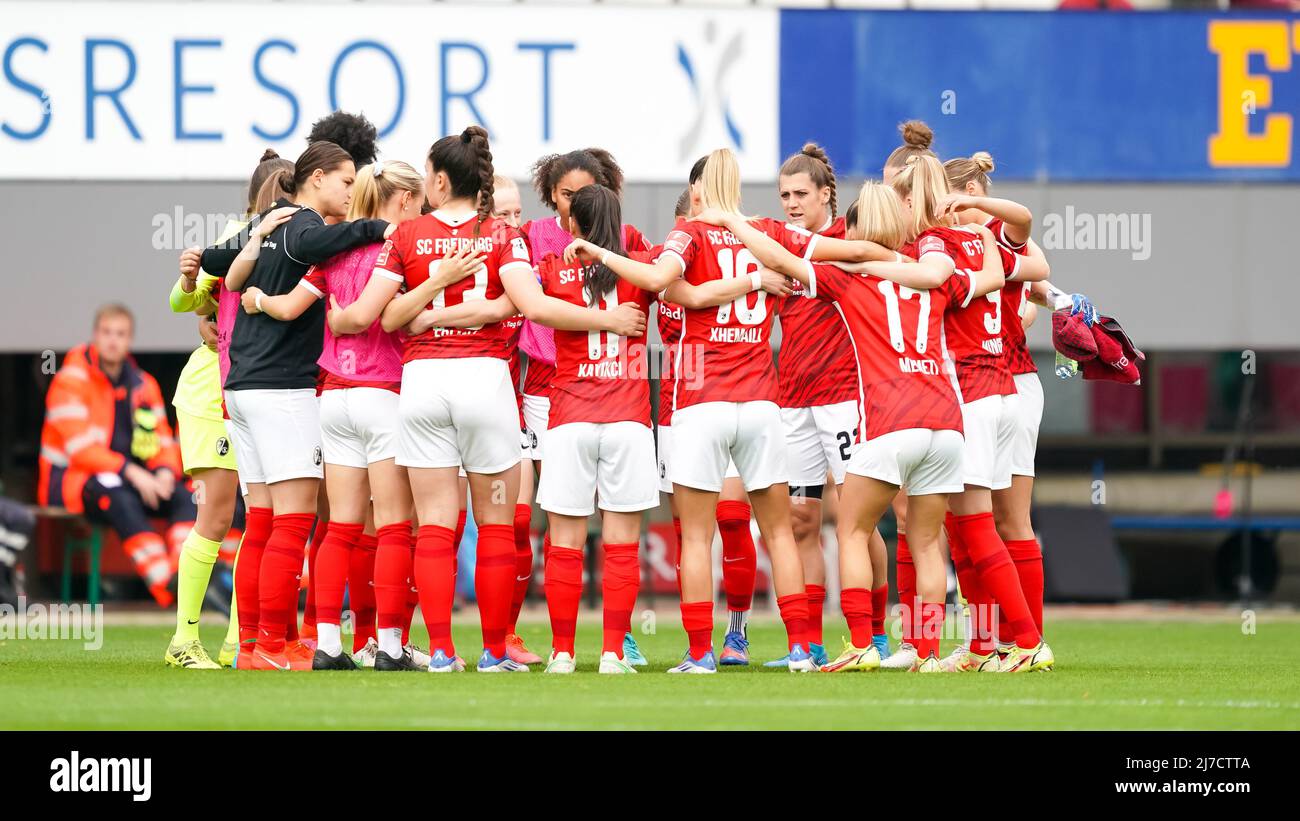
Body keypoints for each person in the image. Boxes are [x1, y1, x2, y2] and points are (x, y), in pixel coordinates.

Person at [364, 126, 646, 672]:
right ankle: (496, 650)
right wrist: (605, 318)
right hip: (485, 384)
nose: (426, 184)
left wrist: (431, 304)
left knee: (436, 524)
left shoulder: (403, 237)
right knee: (496, 523)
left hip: (423, 383)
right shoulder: (501, 237)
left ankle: (442, 652)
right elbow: (530, 307)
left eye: (428, 175)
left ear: (442, 181)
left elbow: (389, 317)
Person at [242, 159, 477, 671]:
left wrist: (253, 298)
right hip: (384, 394)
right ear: (401, 202)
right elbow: (394, 315)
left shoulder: (335, 248)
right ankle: (390, 645)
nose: (423, 212)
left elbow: (287, 308)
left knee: (340, 528)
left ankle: (327, 643)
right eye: (417, 203)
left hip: (334, 398)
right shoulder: (401, 249)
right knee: (394, 528)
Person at [220, 140, 395, 671]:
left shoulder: (264, 227)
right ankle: (276, 643)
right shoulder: (303, 227)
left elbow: (217, 267)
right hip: (283, 391)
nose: (351, 191)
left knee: (263, 524)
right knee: (294, 524)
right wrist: (385, 227)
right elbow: (341, 236)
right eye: (346, 181)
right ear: (316, 178)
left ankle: (253, 645)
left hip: (242, 387)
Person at [890, 154, 1055, 673]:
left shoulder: (931, 249)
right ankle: (984, 645)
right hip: (1002, 388)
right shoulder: (982, 242)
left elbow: (963, 282)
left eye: (901, 196)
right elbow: (1033, 262)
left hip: (971, 392)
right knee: (968, 528)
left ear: (917, 199)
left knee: (976, 526)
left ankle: (1026, 641)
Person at [518, 148, 652, 665]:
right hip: (628, 418)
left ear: (571, 219)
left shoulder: (552, 265)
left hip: (568, 416)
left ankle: (562, 653)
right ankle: (615, 652)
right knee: (621, 543)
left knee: (564, 542)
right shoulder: (639, 265)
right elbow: (667, 280)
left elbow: (531, 306)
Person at [165, 149, 293, 669]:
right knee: (217, 515)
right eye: (286, 195)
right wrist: (194, 281)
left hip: (251, 392)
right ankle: (183, 640)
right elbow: (179, 299)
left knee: (258, 519)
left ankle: (239, 639)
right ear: (268, 197)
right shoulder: (237, 238)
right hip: (210, 394)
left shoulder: (294, 242)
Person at [39, 305, 191, 608]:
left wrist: (163, 471)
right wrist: (134, 473)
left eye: (120, 334)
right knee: (118, 494)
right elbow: (80, 451)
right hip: (71, 480)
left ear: (130, 340)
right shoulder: (70, 380)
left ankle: (184, 575)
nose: (112, 340)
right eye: (107, 333)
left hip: (131, 478)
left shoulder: (143, 384)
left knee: (184, 495)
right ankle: (166, 586)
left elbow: (162, 439)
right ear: (96, 336)